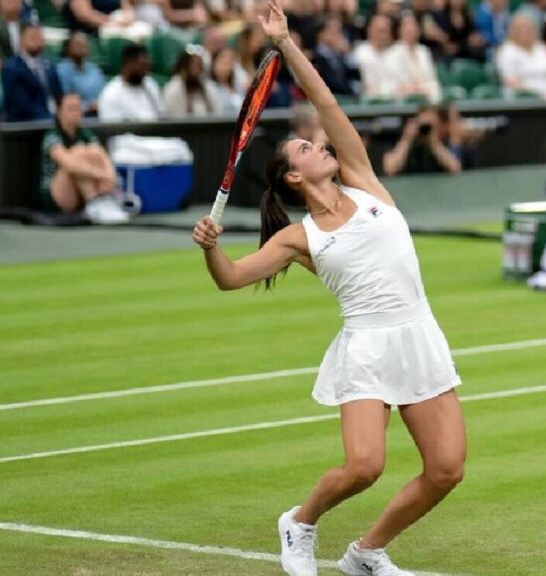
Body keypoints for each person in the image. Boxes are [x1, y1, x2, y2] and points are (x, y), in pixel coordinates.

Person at [191, 2, 466, 576]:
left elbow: (326, 103)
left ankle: (365, 554)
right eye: (307, 149)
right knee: (364, 465)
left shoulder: (363, 180)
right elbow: (233, 279)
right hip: (366, 348)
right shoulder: (299, 237)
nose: (320, 146)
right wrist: (212, 246)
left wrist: (287, 45)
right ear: (295, 176)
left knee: (446, 469)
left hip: (418, 333)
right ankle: (300, 522)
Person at [41, 93, 130, 224]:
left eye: (78, 108)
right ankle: (94, 201)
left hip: (82, 191)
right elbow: (68, 163)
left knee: (92, 151)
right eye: (71, 108)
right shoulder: (52, 135)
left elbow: (101, 155)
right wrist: (101, 174)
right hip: (56, 194)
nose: (76, 112)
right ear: (59, 112)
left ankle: (104, 200)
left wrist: (110, 176)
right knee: (78, 153)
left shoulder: (86, 134)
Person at [0, 22, 62, 122]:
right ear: (22, 39)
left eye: (39, 37)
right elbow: (19, 104)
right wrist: (50, 119)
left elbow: (59, 95)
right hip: (24, 124)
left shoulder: (49, 65)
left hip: (50, 119)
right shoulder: (12, 67)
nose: (37, 41)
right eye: (32, 37)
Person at [382, 104, 464, 176]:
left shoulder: (442, 145)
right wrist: (406, 139)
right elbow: (390, 169)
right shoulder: (404, 144)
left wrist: (435, 144)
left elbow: (455, 168)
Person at [97, 42, 163, 121]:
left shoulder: (150, 85)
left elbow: (163, 118)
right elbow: (112, 130)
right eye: (142, 66)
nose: (145, 72)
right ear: (128, 64)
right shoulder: (111, 93)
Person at [55, 31, 105, 117]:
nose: (81, 46)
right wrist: (87, 106)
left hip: (101, 114)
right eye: (77, 43)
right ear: (68, 47)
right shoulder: (61, 71)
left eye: (84, 43)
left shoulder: (95, 70)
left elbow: (104, 94)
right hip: (77, 116)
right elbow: (64, 100)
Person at [163, 49, 220, 117]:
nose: (197, 70)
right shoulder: (173, 89)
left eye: (199, 65)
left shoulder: (209, 87)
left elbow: (218, 113)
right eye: (193, 65)